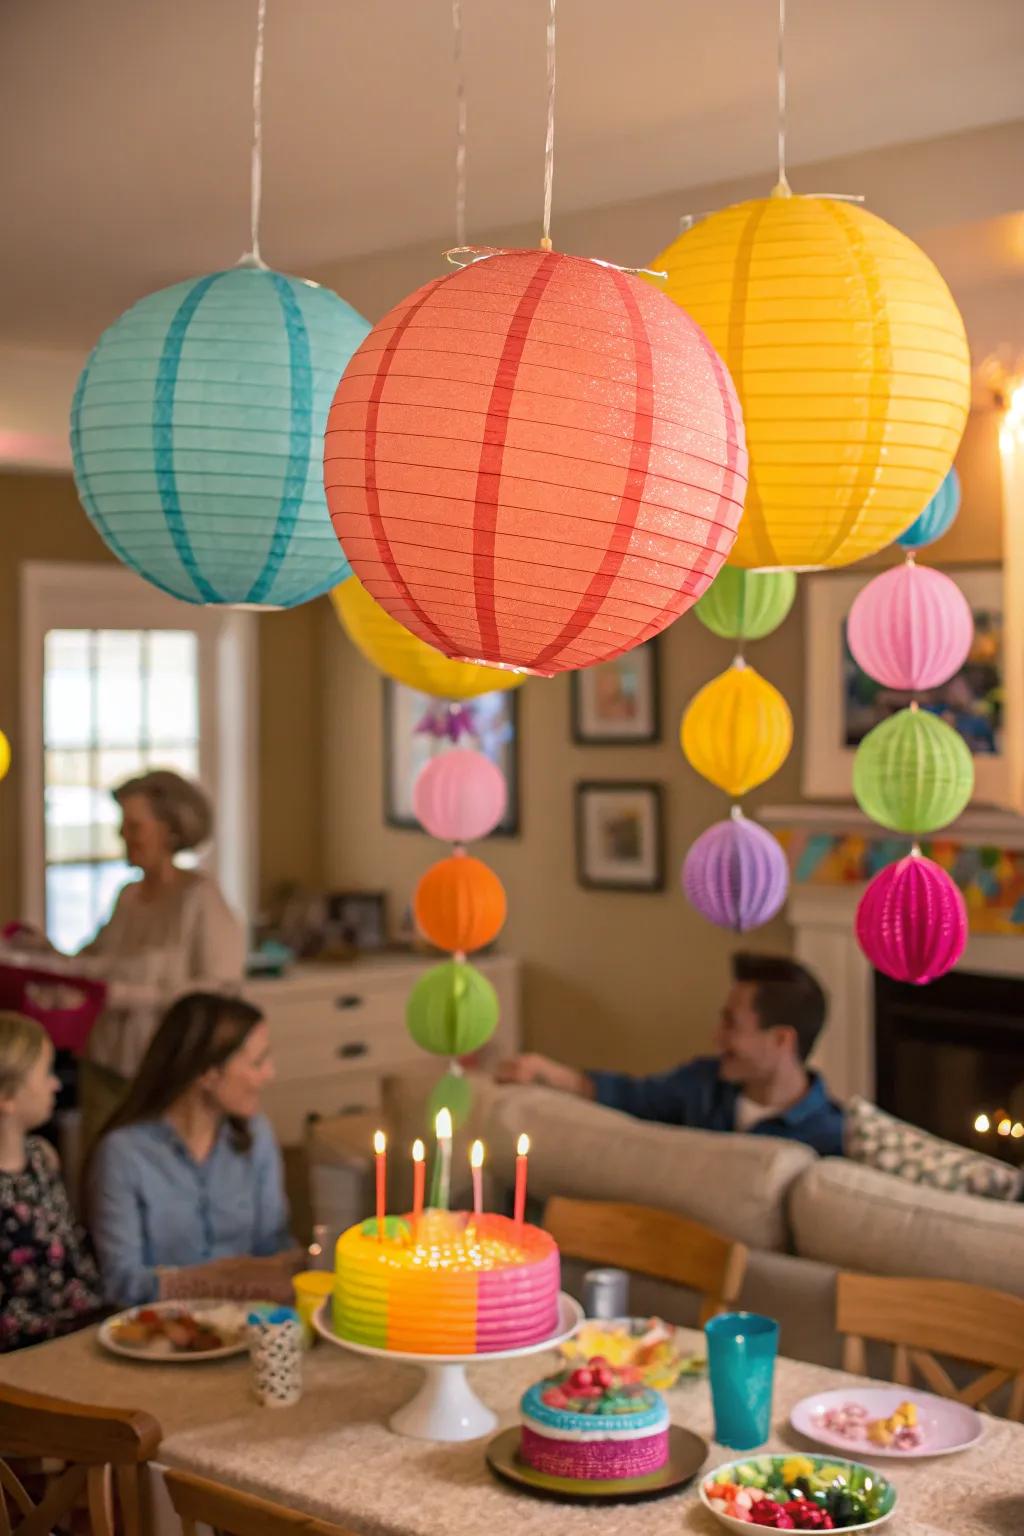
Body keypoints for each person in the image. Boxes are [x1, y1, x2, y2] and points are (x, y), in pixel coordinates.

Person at [497, 952, 844, 1156]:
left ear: (782, 1040)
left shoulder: (828, 1136)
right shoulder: (702, 1083)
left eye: (731, 1025)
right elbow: (630, 1096)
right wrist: (545, 1070)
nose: (716, 1037)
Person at [88, 992, 298, 1308]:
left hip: (251, 1324)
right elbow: (122, 1282)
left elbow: (275, 1249)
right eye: (257, 1062)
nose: (270, 1074)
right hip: (162, 1334)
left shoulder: (257, 1136)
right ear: (207, 1074)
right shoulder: (123, 1154)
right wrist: (227, 1279)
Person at [74, 770, 246, 1146]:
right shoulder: (128, 896)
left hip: (165, 1076)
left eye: (134, 825)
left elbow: (221, 989)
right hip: (104, 1067)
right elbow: (91, 963)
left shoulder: (200, 897)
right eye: (123, 825)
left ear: (169, 831)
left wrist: (131, 996)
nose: (123, 835)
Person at [0, 1012, 102, 1352]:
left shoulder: (43, 1157)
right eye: (45, 1072)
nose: (56, 1083)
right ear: (7, 1097)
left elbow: (70, 1254)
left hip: (80, 1335)